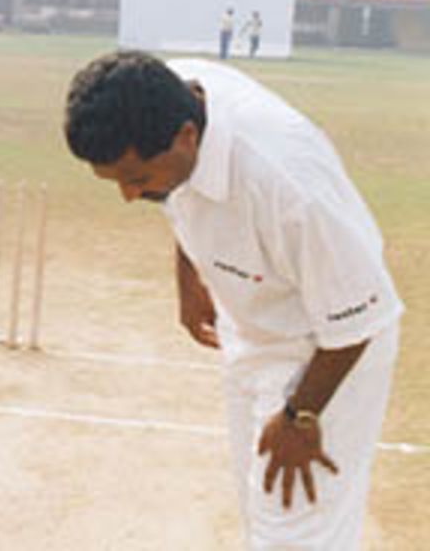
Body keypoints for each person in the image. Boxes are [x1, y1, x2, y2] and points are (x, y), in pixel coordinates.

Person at [64, 51, 403, 549]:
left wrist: (300, 416)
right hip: (253, 328)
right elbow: (178, 191)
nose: (129, 197)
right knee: (261, 521)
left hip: (328, 351)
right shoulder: (166, 95)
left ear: (186, 137)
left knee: (295, 535)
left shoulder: (290, 185)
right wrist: (190, 271)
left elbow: (363, 313)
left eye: (135, 179)